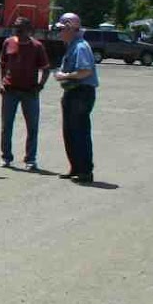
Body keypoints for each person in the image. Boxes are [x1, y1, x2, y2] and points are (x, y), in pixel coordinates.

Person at [0, 16, 51, 169]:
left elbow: (46, 69)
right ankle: (6, 157)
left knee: (32, 127)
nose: (18, 31)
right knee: (6, 126)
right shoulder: (8, 43)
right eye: (16, 28)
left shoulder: (37, 46)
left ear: (29, 30)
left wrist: (40, 86)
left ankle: (30, 159)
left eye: (21, 29)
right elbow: (2, 65)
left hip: (30, 92)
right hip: (10, 91)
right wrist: (0, 83)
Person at [52, 11, 99, 184]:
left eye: (62, 29)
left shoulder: (80, 47)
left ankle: (85, 171)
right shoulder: (73, 45)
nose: (60, 33)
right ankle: (76, 168)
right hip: (73, 93)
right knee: (70, 132)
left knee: (79, 132)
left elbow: (85, 71)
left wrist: (64, 76)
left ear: (70, 28)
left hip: (81, 93)